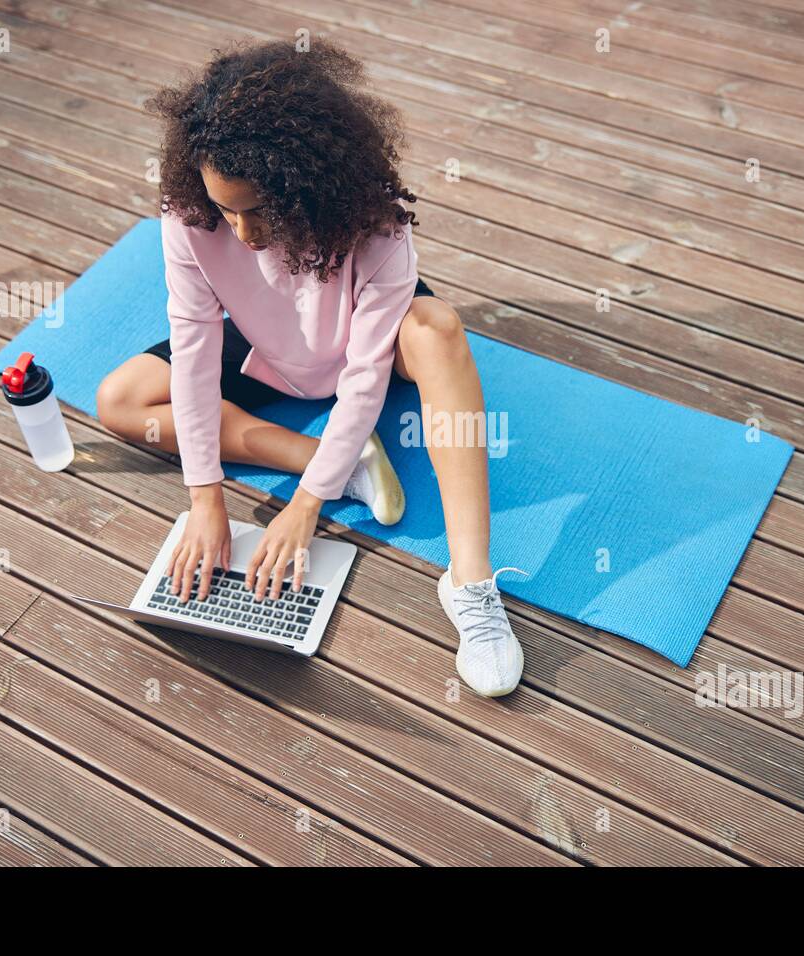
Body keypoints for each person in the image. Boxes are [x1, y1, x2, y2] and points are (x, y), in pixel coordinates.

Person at [96, 39, 525, 696]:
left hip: (362, 339)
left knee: (439, 331)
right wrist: (204, 497)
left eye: (257, 210)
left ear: (304, 185)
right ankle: (339, 460)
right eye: (225, 210)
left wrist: (305, 507)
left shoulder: (374, 222)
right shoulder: (189, 217)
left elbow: (364, 377)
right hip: (267, 340)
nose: (240, 232)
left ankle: (469, 581)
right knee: (119, 400)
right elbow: (194, 347)